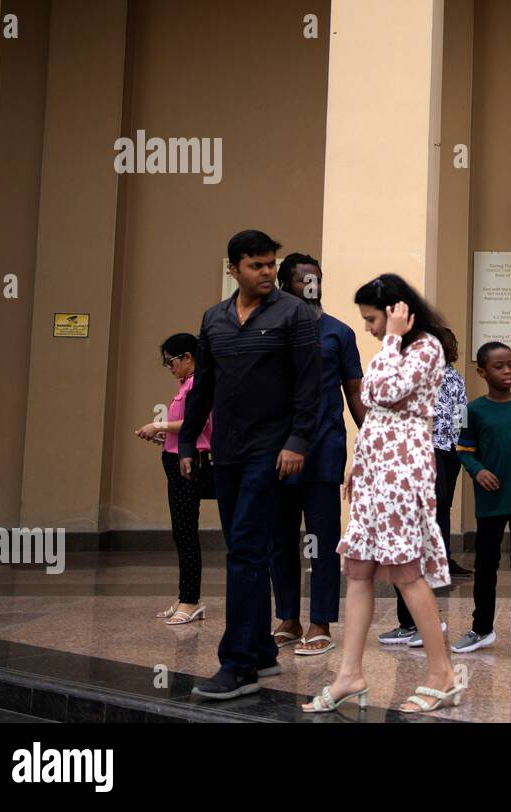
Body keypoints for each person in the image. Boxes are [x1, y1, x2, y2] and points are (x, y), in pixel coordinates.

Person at [304, 275, 462, 714]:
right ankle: (349, 675)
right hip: (376, 467)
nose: (369, 328)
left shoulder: (425, 347)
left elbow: (388, 392)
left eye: (372, 319)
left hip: (403, 469)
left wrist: (390, 340)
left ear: (396, 312)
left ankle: (442, 673)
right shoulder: (392, 349)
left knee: (406, 572)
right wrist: (359, 460)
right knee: (357, 570)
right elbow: (371, 403)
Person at [181, 230, 322, 700]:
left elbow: (309, 384)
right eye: (257, 265)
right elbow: (203, 386)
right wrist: (187, 441)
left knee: (243, 548)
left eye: (270, 264)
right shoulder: (214, 319)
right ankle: (261, 650)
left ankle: (238, 664)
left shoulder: (294, 314)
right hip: (227, 451)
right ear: (233, 270)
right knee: (246, 548)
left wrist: (298, 440)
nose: (267, 272)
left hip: (272, 450)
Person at [269, 254, 365, 657]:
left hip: (323, 448)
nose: (313, 288)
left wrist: (373, 443)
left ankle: (320, 620)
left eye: (318, 280)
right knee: (280, 538)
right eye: (304, 281)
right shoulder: (269, 330)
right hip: (275, 449)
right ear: (284, 285)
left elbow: (355, 394)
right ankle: (288, 617)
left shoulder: (338, 334)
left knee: (323, 539)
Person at [450, 342, 511, 663]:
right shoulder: (473, 410)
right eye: (499, 366)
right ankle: (481, 629)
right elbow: (464, 450)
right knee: (485, 568)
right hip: (491, 502)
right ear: (482, 372)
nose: (507, 371)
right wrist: (478, 472)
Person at [381, 327, 470, 648]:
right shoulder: (454, 376)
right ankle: (412, 622)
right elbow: (463, 418)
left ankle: (423, 622)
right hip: (447, 453)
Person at [136, 333, 213, 626]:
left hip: (193, 463)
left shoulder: (199, 385)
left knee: (186, 531)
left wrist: (159, 424)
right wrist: (164, 436)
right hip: (175, 459)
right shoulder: (184, 386)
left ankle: (190, 601)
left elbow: (198, 423)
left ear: (188, 358)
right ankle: (185, 597)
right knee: (182, 533)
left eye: (171, 362)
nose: (170, 368)